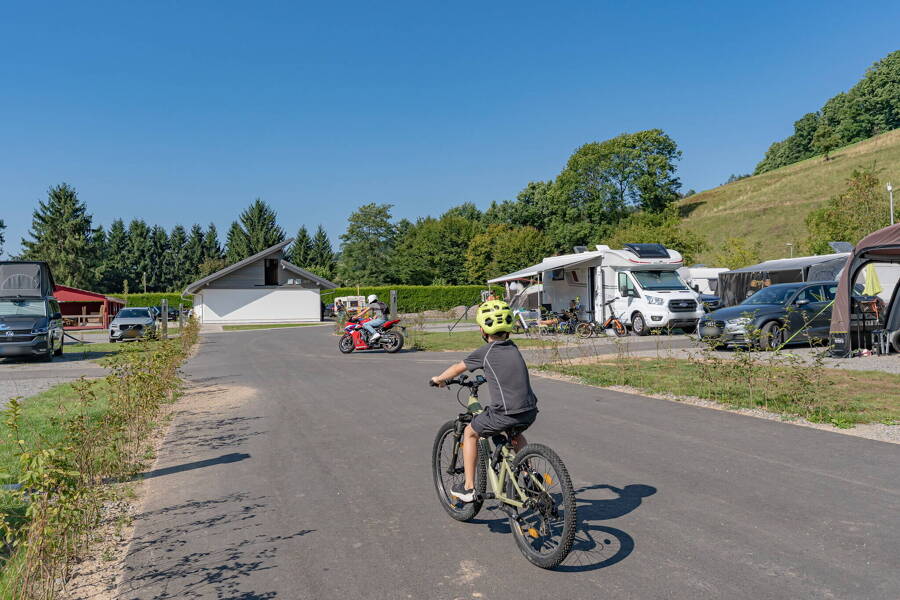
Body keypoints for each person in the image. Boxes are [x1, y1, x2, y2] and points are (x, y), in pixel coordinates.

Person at [430, 299, 539, 502]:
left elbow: (456, 368)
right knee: (514, 433)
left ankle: (469, 488)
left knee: (471, 432)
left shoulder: (486, 352)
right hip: (529, 411)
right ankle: (529, 474)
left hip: (504, 414)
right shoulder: (513, 347)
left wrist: (439, 379)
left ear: (482, 329)